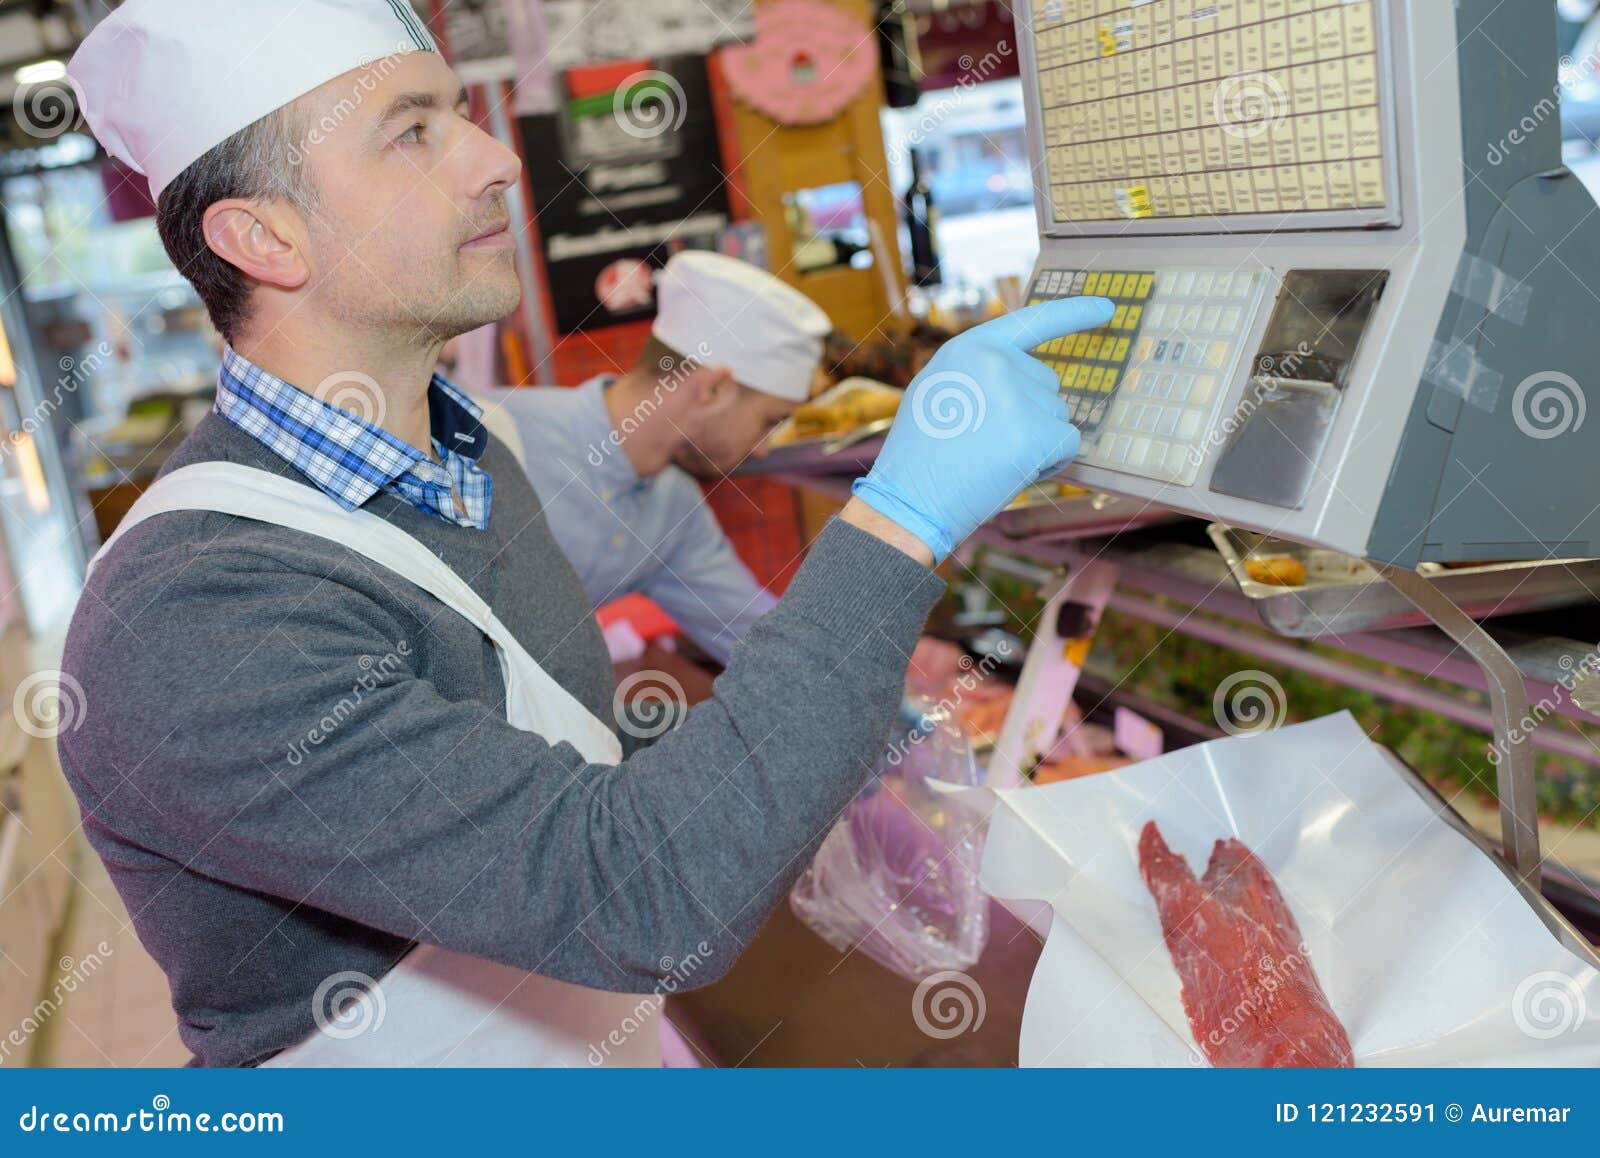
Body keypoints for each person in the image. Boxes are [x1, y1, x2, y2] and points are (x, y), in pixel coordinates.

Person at [58, 0, 1111, 1068]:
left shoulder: (477, 462)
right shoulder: (192, 613)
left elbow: (544, 766)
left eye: (460, 114)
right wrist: (900, 518)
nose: (495, 161)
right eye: (412, 131)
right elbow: (642, 894)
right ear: (263, 238)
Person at [475, 251, 827, 662]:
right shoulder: (492, 436)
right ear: (712, 390)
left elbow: (761, 643)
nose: (764, 447)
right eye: (770, 421)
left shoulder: (674, 508)